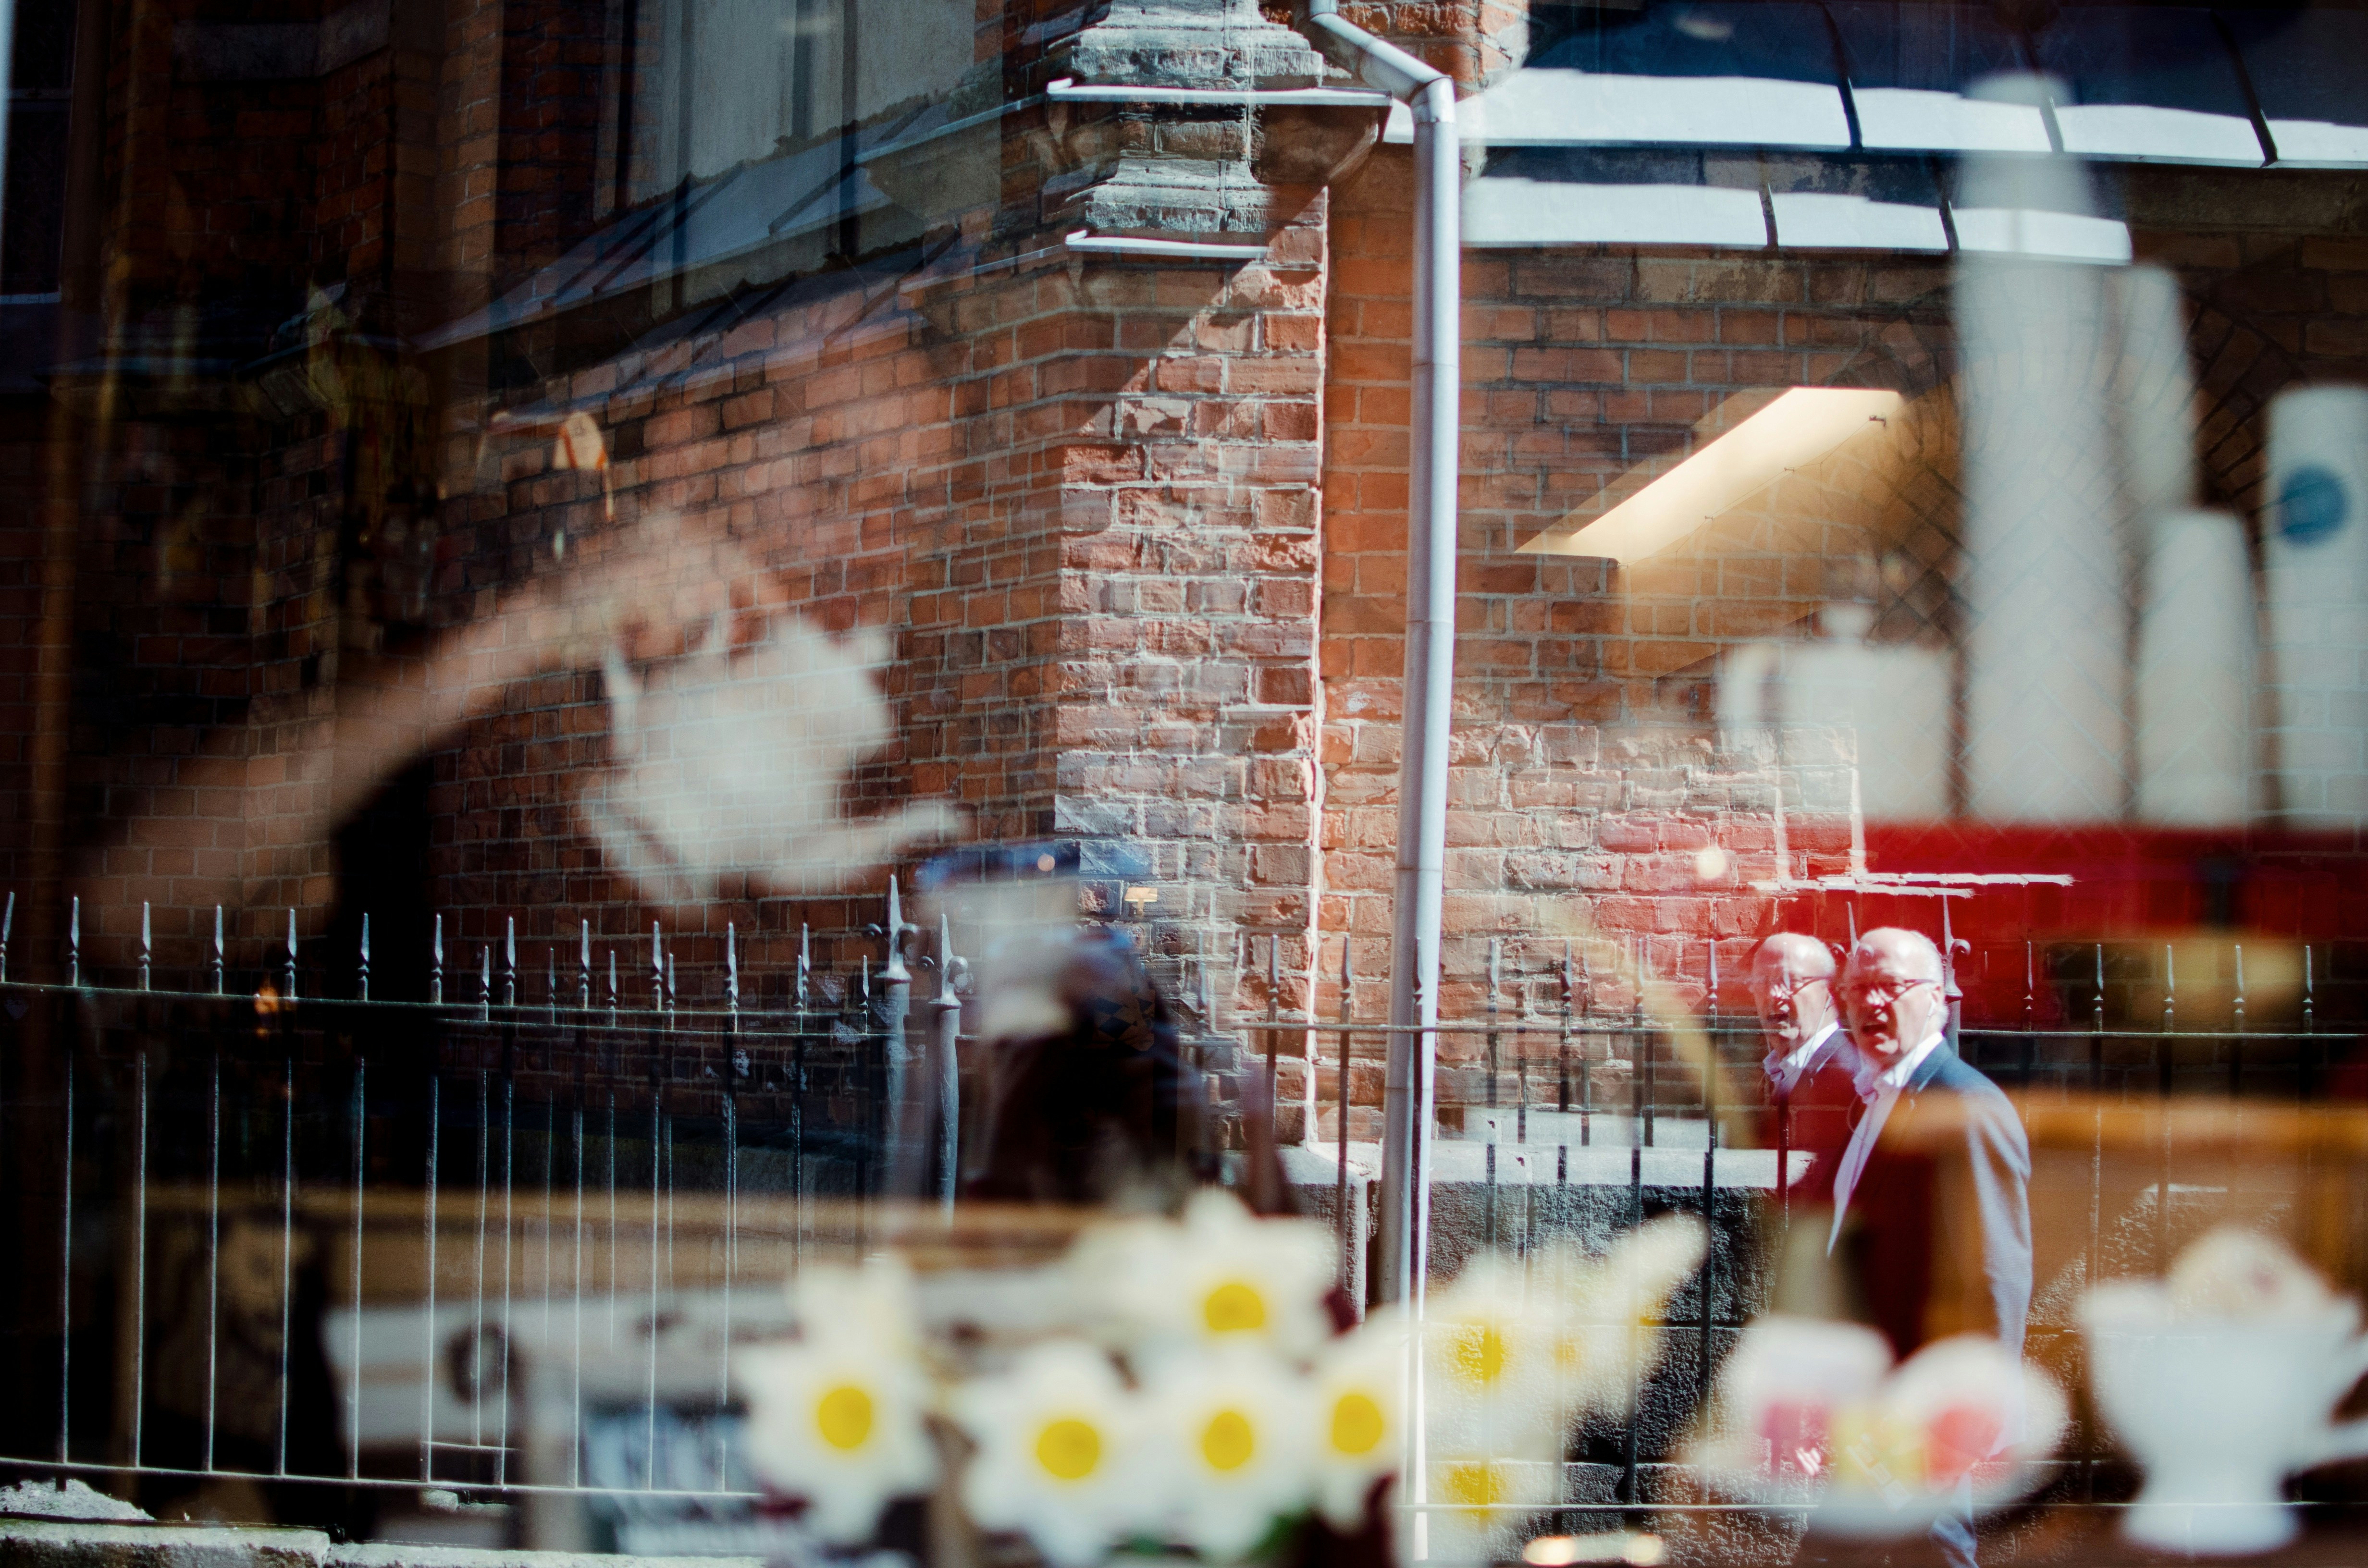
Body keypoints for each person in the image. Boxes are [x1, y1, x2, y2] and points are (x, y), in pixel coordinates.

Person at [1828, 927, 2033, 1568]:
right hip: (1874, 1397)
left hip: (1930, 1405)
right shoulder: (1881, 1100)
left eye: (1890, 985)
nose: (1870, 1003)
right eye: (1857, 988)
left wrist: (1971, 1416)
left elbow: (1995, 1273)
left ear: (1938, 1000)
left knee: (1932, 1548)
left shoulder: (1963, 1104)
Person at [1749, 932, 1859, 1210]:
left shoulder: (1852, 1079)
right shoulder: (1775, 1072)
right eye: (1762, 982)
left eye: (1791, 981)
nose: (1774, 995)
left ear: (1828, 991)